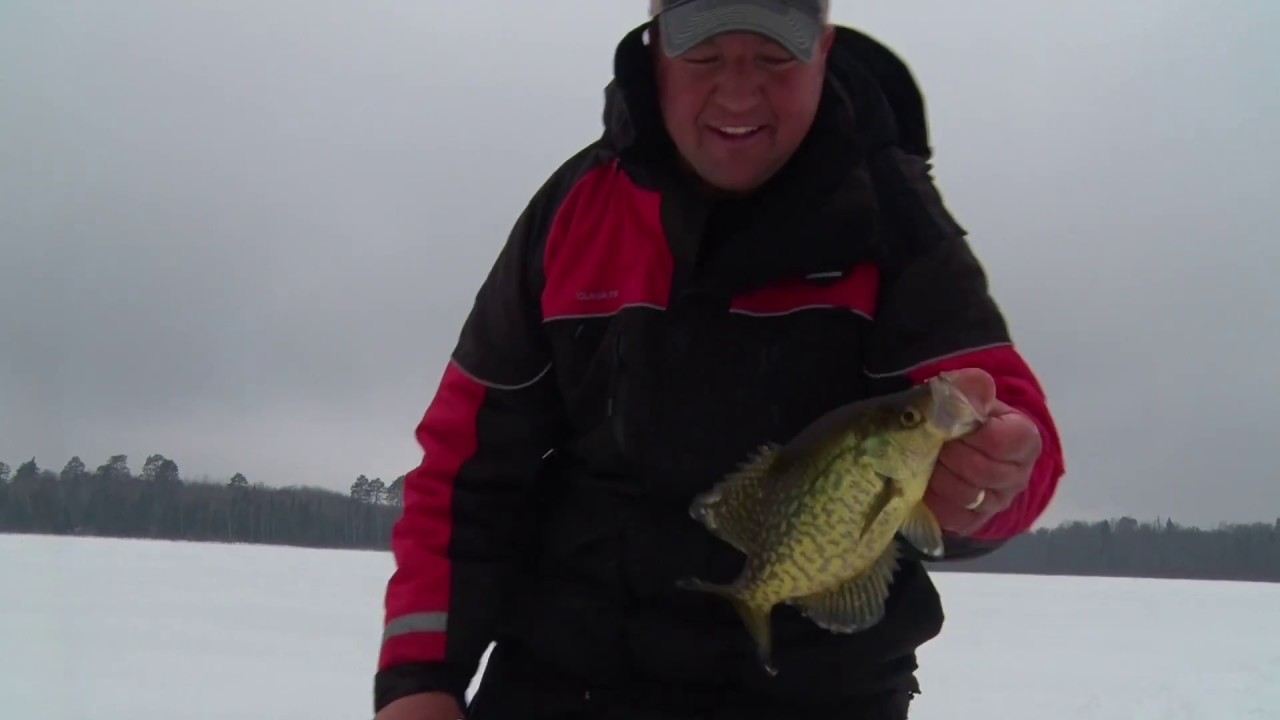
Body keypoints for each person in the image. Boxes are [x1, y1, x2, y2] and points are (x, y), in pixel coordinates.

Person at [373, 1, 1065, 718]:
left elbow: (1020, 439)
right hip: (565, 681)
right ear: (655, 54)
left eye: (774, 57)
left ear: (823, 53)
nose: (738, 93)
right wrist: (417, 681)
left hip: (814, 696)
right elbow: (466, 471)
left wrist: (990, 479)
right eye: (703, 56)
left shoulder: (898, 222)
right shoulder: (577, 212)